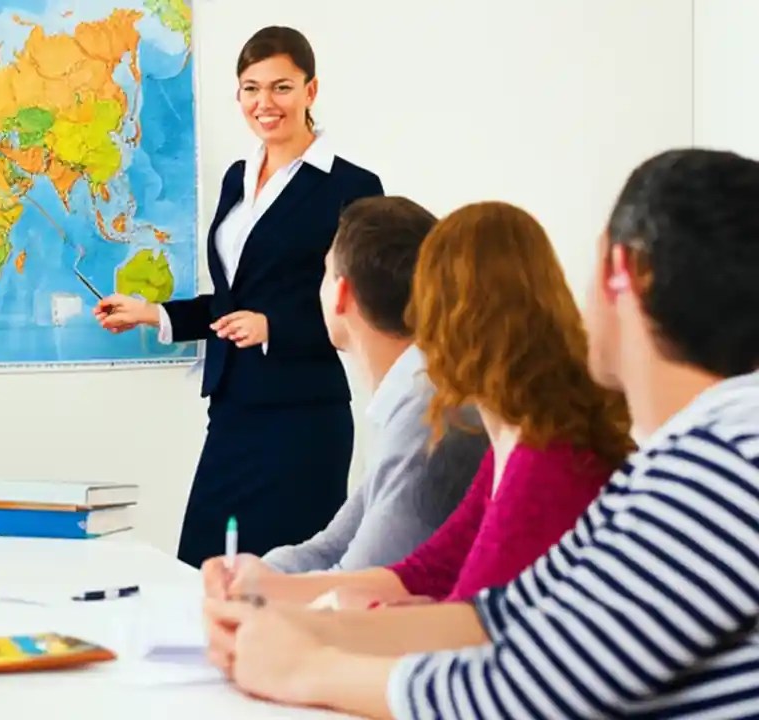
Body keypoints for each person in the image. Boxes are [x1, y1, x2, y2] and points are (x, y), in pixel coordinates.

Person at [204, 148, 759, 718]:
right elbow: (501, 617)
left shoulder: (722, 460)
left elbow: (528, 687)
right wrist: (285, 622)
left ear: (624, 272)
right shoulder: (689, 459)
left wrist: (304, 666)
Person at [214, 200, 634, 610]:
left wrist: (285, 628)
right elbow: (421, 577)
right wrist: (261, 585)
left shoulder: (503, 444)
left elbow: (470, 628)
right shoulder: (506, 444)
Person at [94, 26, 384, 568]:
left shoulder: (352, 187)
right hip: (234, 409)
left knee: (286, 579)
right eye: (251, 88)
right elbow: (234, 298)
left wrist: (275, 326)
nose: (264, 103)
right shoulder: (237, 178)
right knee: (201, 567)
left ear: (310, 91)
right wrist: (153, 314)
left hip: (303, 415)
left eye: (281, 87)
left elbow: (363, 304)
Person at [200, 196, 486, 596]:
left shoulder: (430, 412)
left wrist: (267, 594)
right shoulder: (413, 396)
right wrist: (256, 574)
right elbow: (332, 546)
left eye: (323, 271)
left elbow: (361, 583)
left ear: (341, 294)